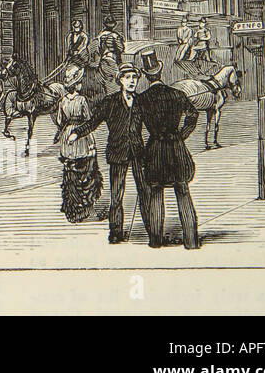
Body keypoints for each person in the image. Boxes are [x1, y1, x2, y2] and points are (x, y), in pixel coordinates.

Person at [64, 63, 153, 245]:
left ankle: (151, 229)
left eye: (134, 78)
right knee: (116, 195)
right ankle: (115, 232)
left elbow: (153, 124)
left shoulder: (142, 101)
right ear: (120, 80)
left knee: (145, 192)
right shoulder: (110, 102)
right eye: (127, 78)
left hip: (137, 152)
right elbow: (93, 122)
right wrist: (77, 133)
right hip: (117, 152)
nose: (131, 82)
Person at [135, 55, 200, 249]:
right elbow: (193, 114)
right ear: (161, 71)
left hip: (155, 149)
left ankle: (155, 241)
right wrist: (182, 134)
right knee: (182, 191)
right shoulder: (177, 94)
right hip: (175, 147)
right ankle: (191, 241)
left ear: (146, 76)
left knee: (155, 193)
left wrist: (142, 151)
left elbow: (135, 128)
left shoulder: (142, 99)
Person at [54, 64, 102, 224]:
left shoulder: (62, 101)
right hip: (81, 135)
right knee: (87, 170)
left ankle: (71, 206)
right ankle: (87, 206)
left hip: (67, 136)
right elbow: (88, 118)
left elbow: (59, 121)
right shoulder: (82, 100)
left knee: (70, 170)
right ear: (77, 85)